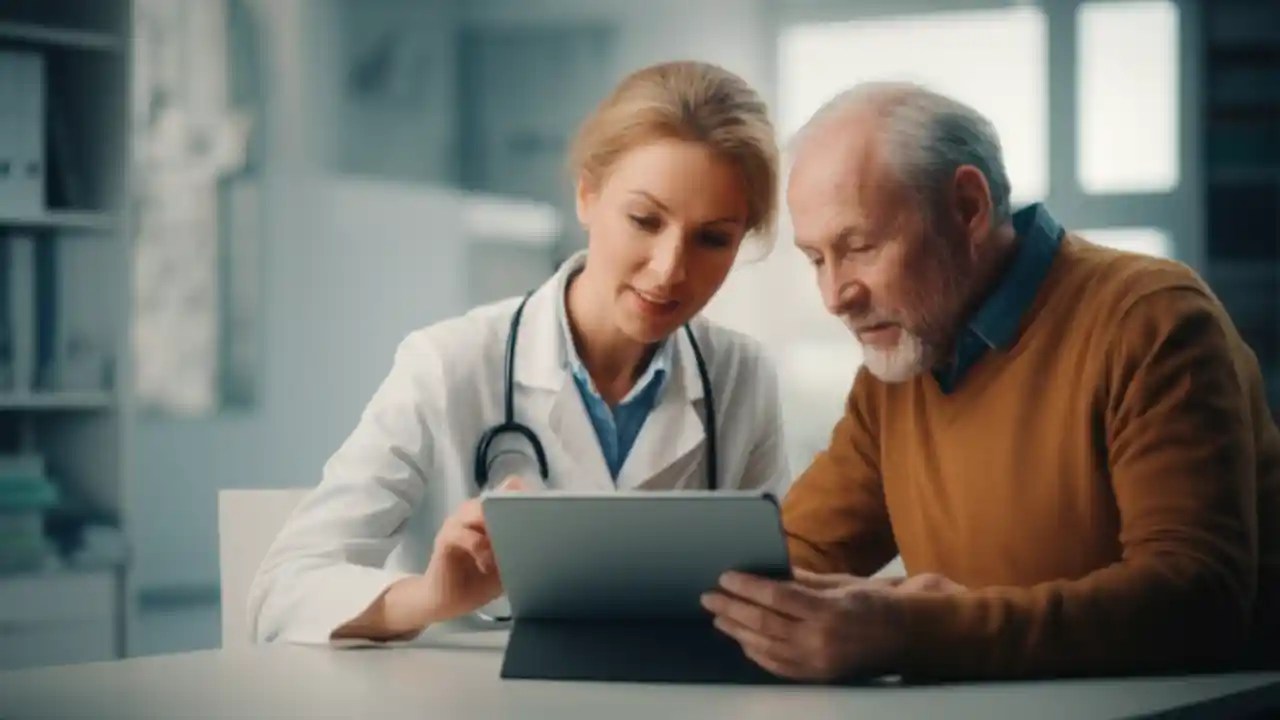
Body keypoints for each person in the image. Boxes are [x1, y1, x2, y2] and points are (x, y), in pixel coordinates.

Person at [701, 81, 1280, 681]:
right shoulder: (898, 368)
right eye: (817, 258)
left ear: (969, 209)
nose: (834, 296)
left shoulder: (1150, 319)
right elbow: (784, 561)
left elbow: (1198, 600)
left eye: (861, 246)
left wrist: (908, 631)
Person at [249, 61, 789, 645]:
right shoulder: (447, 364)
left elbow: (779, 594)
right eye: (643, 219)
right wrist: (427, 598)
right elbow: (282, 591)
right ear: (587, 194)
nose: (670, 268)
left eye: (713, 238)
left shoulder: (740, 376)